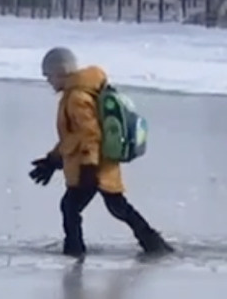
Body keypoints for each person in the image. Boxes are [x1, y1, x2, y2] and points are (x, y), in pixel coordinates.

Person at [30, 47, 173, 258]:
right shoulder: (78, 93)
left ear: (61, 72)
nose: (48, 81)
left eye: (48, 75)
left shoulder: (77, 98)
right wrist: (52, 161)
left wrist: (89, 167)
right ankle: (153, 242)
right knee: (117, 207)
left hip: (91, 166)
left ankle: (74, 250)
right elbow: (73, 137)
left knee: (72, 207)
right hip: (98, 164)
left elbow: (90, 134)